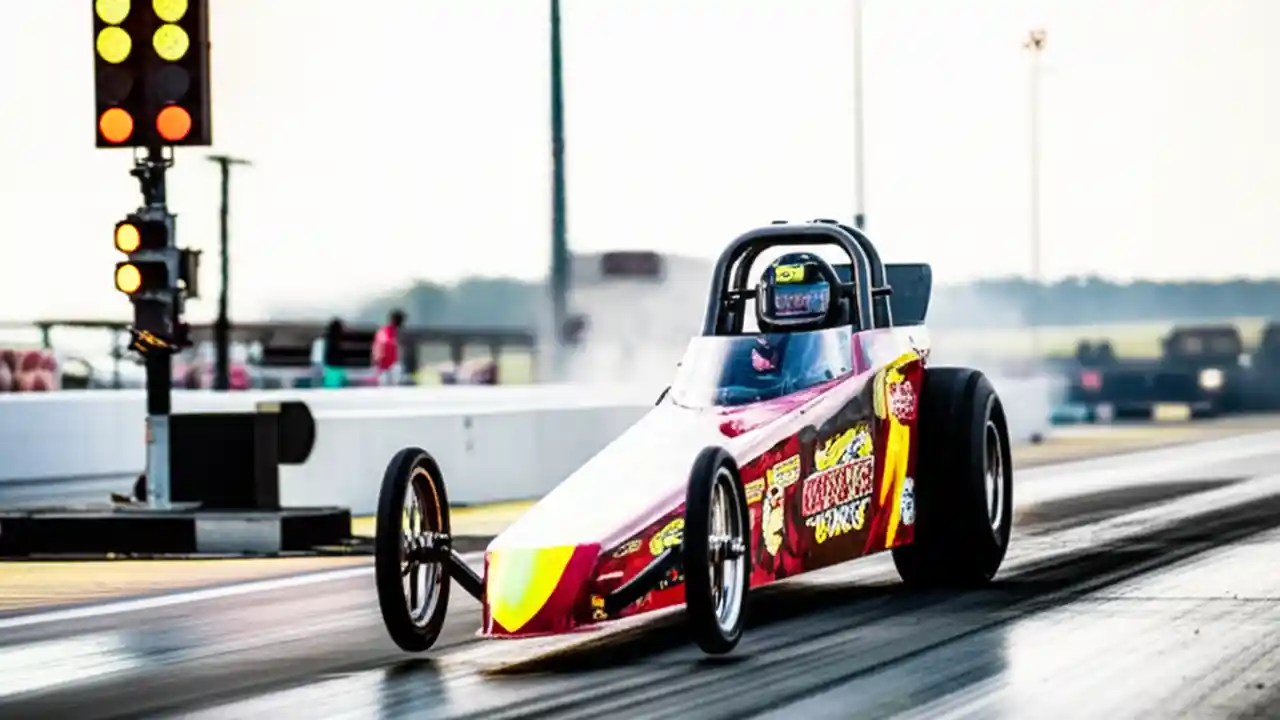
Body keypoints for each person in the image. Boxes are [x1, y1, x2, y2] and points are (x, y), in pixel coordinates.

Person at [372, 309, 406, 386]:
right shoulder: (386, 331)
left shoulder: (395, 332)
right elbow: (382, 344)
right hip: (386, 366)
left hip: (392, 364)